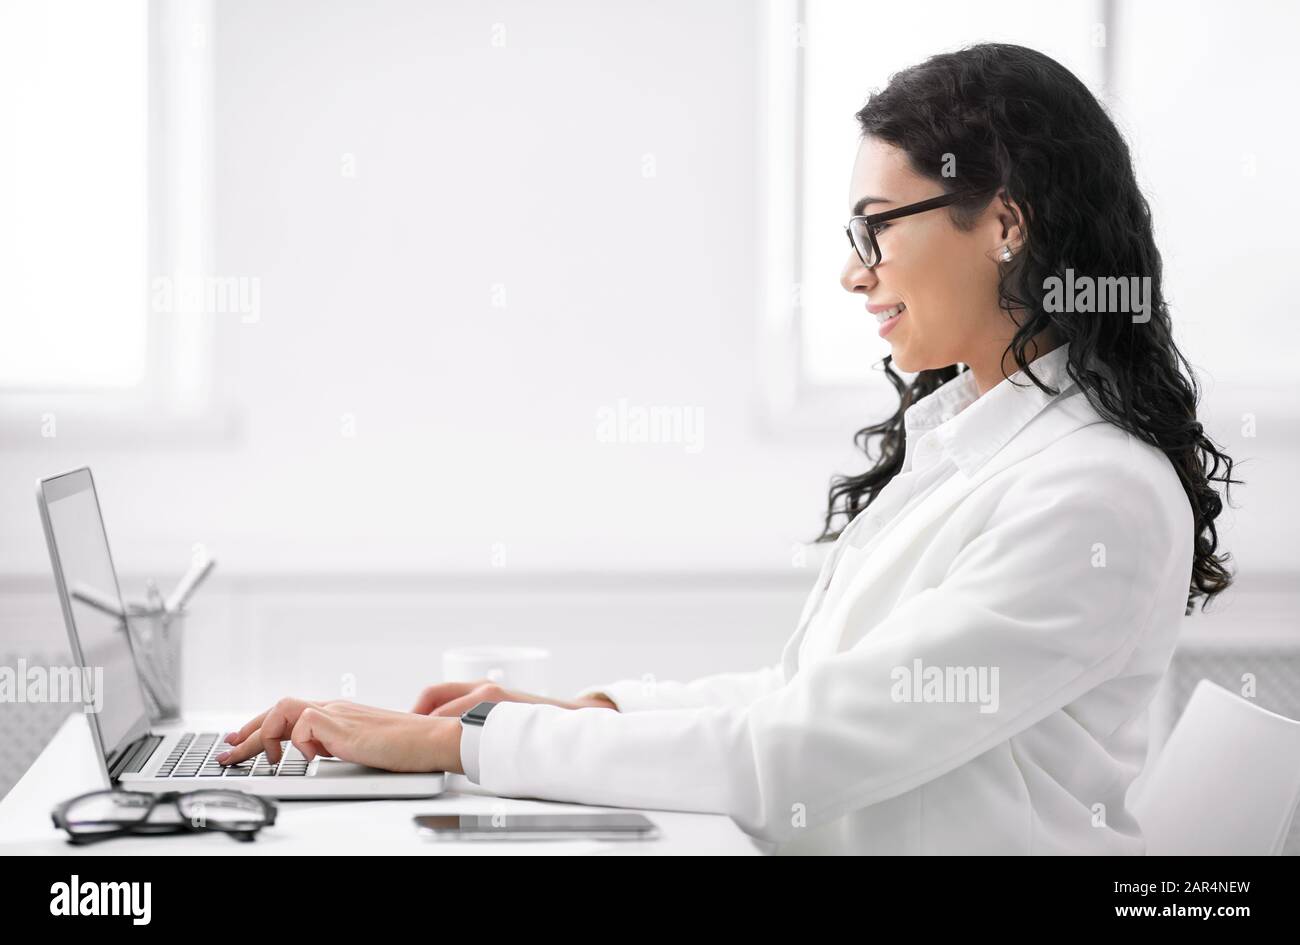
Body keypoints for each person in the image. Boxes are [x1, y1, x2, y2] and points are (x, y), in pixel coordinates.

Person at [218, 43, 1236, 854]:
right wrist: (580, 710)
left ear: (1004, 223)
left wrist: (458, 742)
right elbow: (805, 699)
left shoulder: (1094, 493)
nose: (853, 272)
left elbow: (792, 753)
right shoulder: (976, 441)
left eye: (875, 229)